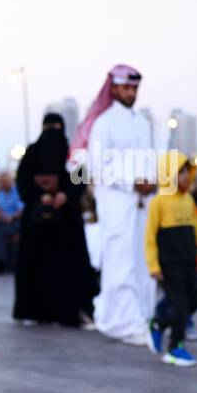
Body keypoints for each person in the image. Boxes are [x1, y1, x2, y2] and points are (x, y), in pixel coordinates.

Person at [73, 63, 156, 346]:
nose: (131, 92)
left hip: (144, 205)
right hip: (117, 205)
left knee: (143, 262)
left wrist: (153, 182)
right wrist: (132, 183)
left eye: (135, 88)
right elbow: (96, 166)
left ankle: (143, 317)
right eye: (126, 87)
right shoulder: (103, 123)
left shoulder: (143, 123)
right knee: (121, 263)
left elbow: (153, 160)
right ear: (114, 88)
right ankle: (123, 323)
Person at [12, 113, 97, 328]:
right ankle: (34, 311)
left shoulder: (72, 155)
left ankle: (70, 312)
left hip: (65, 222)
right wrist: (43, 196)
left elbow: (79, 179)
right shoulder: (34, 152)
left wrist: (65, 195)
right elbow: (22, 181)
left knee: (67, 267)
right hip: (39, 221)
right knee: (37, 266)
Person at [146, 157, 197, 366]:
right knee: (181, 303)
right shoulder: (159, 201)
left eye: (187, 172)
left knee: (195, 301)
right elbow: (149, 236)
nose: (186, 176)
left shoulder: (188, 200)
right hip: (169, 263)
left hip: (188, 261)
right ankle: (175, 348)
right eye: (180, 172)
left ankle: (159, 324)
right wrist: (153, 265)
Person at [0, 170, 23, 270]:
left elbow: (22, 209)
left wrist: (12, 216)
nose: (4, 185)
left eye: (6, 182)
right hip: (4, 221)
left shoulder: (18, 192)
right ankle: (1, 260)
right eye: (3, 183)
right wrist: (4, 216)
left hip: (17, 220)